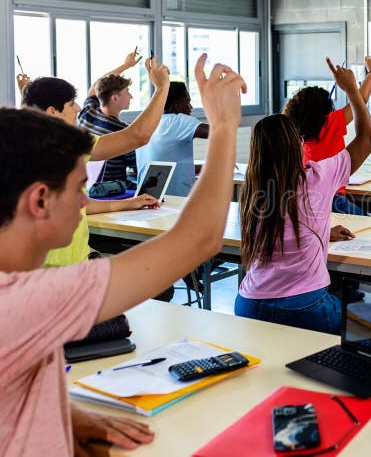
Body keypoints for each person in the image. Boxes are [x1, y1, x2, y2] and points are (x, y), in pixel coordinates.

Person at [0, 54, 245, 456]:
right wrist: (223, 126)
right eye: (79, 188)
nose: (85, 200)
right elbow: (198, 240)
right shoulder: (23, 301)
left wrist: (66, 415)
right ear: (40, 200)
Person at [236, 58, 371, 334]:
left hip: (249, 304)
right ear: (295, 146)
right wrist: (351, 88)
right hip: (304, 307)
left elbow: (286, 226)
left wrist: (323, 231)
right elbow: (368, 137)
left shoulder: (252, 190)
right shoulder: (316, 177)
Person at [20, 56, 171, 267]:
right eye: (70, 104)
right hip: (63, 268)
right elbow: (139, 136)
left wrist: (127, 203)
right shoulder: (67, 145)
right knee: (156, 276)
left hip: (44, 263)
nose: (77, 109)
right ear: (52, 111)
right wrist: (162, 87)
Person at [283, 56, 371, 215]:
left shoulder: (295, 135)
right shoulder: (330, 122)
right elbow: (361, 100)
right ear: (324, 114)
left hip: (309, 203)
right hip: (333, 200)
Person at [77, 48, 143, 189]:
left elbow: (96, 85)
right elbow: (139, 166)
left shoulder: (87, 113)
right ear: (114, 98)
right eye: (128, 92)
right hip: (112, 194)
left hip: (84, 189)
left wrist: (126, 65)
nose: (131, 96)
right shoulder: (124, 132)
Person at [136, 81, 209, 197]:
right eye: (188, 102)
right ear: (177, 105)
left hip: (147, 199)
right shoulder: (177, 121)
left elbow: (164, 162)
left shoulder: (145, 123)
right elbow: (217, 131)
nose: (191, 107)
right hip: (176, 202)